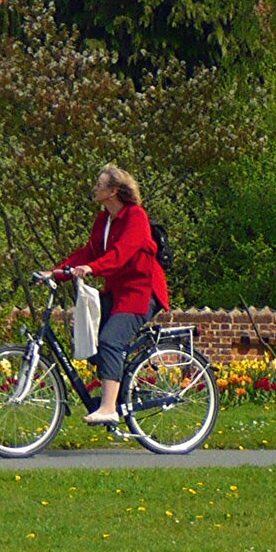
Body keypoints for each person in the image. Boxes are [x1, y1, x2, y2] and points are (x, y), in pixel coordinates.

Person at [38, 165, 170, 425]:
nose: (95, 188)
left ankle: (109, 408)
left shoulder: (136, 217)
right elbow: (88, 253)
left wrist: (93, 268)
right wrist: (55, 273)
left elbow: (122, 253)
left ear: (113, 191)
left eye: (100, 185)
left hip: (141, 292)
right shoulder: (103, 221)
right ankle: (118, 389)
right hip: (117, 291)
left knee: (110, 340)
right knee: (87, 334)